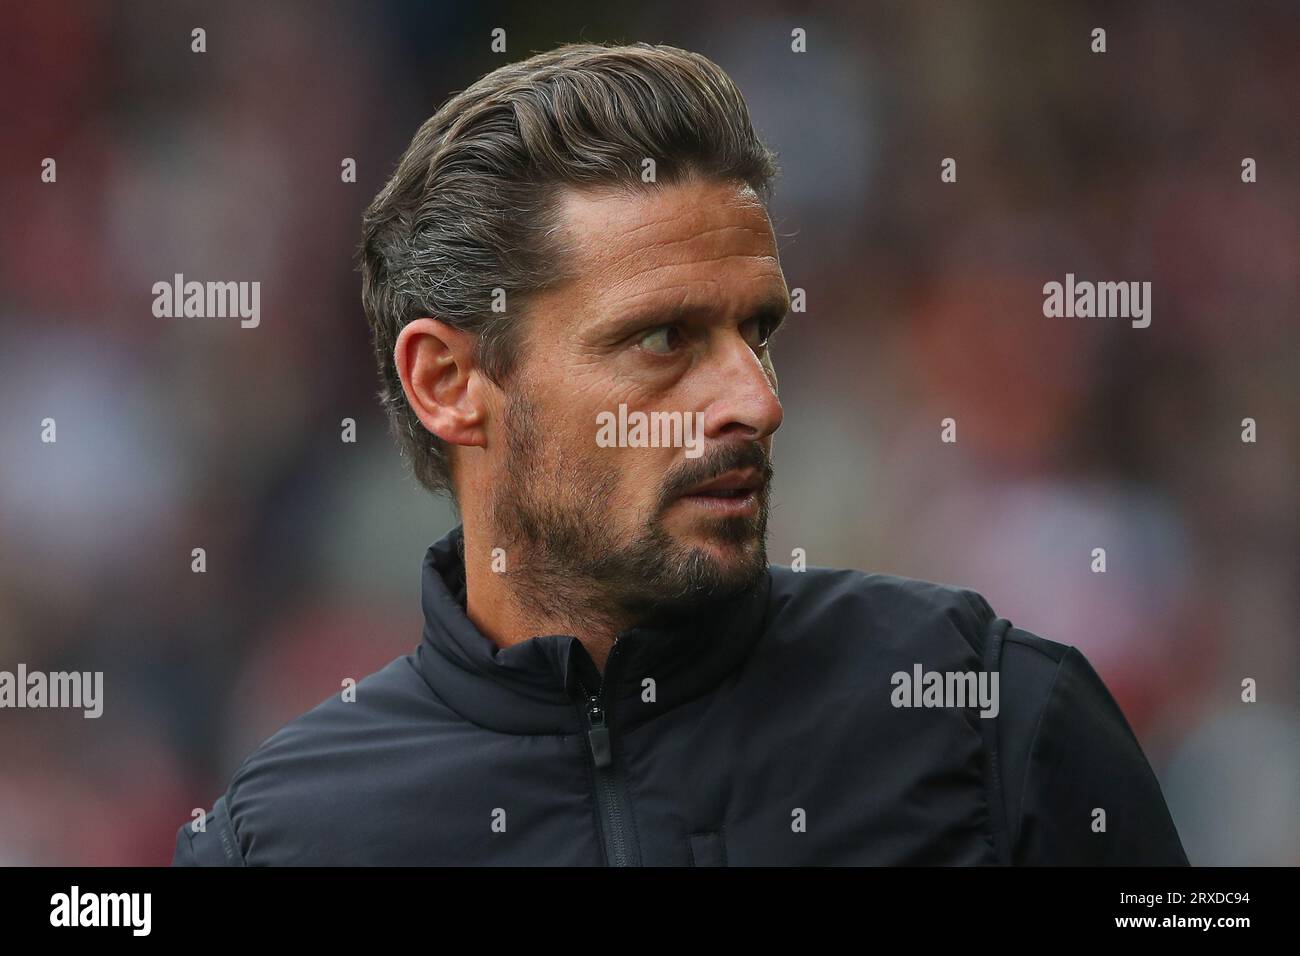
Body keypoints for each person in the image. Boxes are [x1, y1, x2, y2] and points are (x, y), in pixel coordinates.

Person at [172, 41, 1188, 866]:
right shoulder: (283, 839)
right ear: (448, 383)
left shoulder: (994, 720)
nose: (755, 399)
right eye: (662, 340)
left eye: (759, 332)